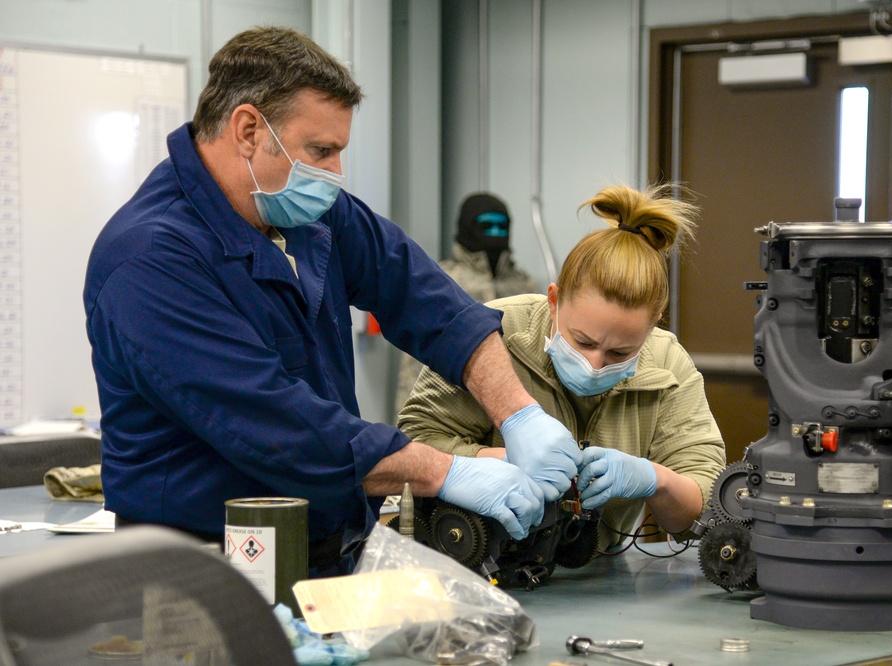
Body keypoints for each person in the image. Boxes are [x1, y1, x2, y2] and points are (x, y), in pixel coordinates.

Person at [83, 26, 582, 576]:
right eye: (320, 151)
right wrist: (443, 472)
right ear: (248, 129)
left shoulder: (302, 212)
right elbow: (274, 424)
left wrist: (521, 415)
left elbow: (429, 300)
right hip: (199, 567)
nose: (334, 174)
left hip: (326, 539)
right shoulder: (150, 260)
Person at [398, 184, 726, 550]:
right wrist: (504, 459)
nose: (594, 366)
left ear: (653, 327)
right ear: (554, 301)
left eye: (620, 353)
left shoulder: (667, 365)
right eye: (582, 341)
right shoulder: (496, 334)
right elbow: (413, 446)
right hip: (478, 566)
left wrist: (655, 480)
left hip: (601, 582)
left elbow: (709, 501)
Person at [395, 193, 538, 415]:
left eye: (502, 226)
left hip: (515, 408)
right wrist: (411, 426)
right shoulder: (441, 280)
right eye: (486, 225)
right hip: (452, 409)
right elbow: (415, 366)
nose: (495, 233)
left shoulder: (524, 285)